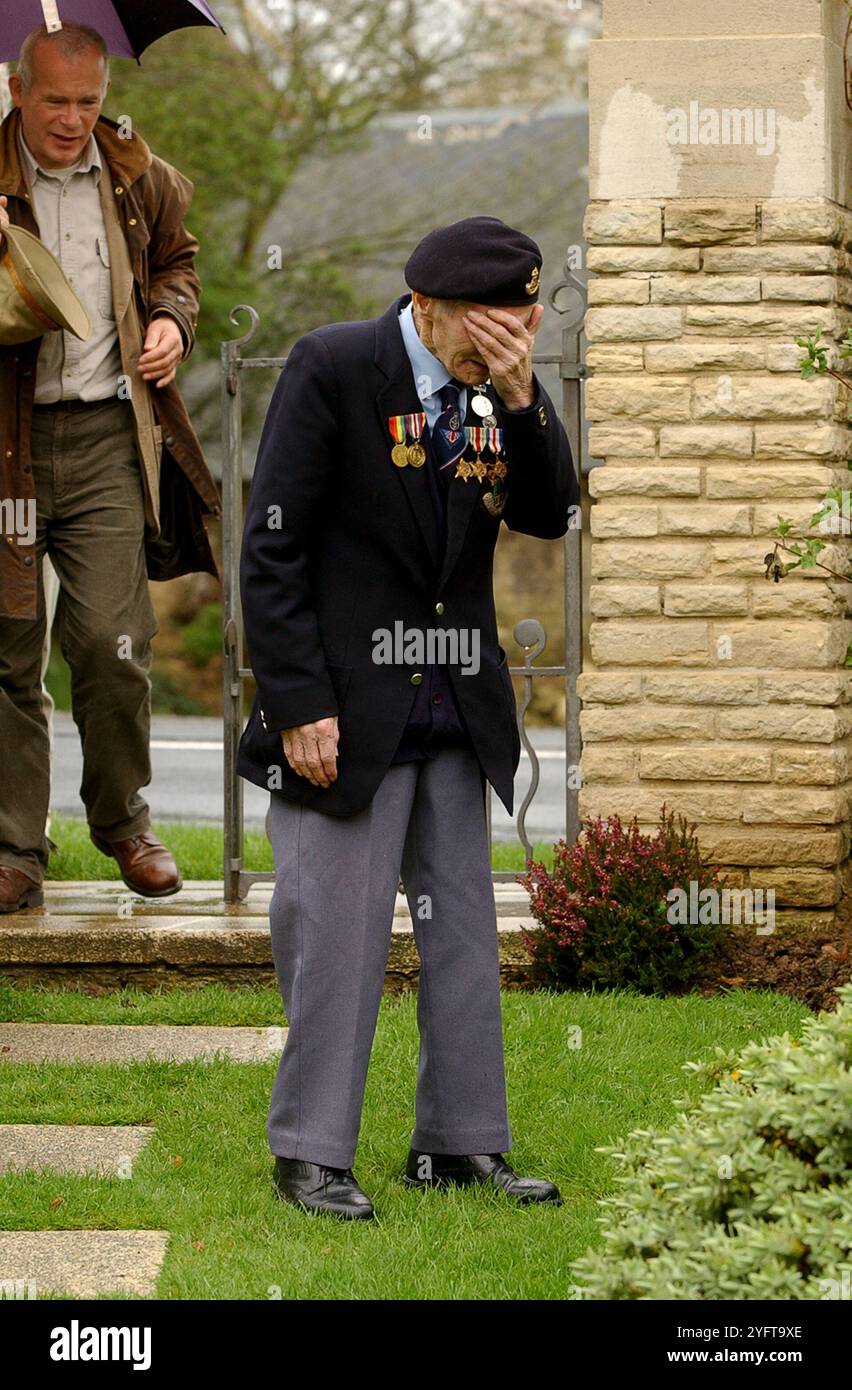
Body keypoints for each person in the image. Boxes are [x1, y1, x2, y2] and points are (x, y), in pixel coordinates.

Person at [239, 215, 580, 1221]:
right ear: (426, 306)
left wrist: (523, 396)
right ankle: (309, 1154)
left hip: (453, 704)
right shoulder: (334, 367)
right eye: (492, 327)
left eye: (521, 323)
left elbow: (548, 513)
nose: (506, 344)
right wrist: (298, 701)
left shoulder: (497, 392)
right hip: (343, 710)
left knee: (465, 937)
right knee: (336, 933)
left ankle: (461, 1143)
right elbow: (273, 548)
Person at [0, 22, 221, 911]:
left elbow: (180, 265)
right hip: (6, 443)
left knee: (110, 643)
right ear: (18, 92)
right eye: (55, 101)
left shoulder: (140, 175)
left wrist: (171, 319)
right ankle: (14, 848)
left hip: (103, 438)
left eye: (87, 102)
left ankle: (124, 823)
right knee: (8, 649)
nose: (72, 119)